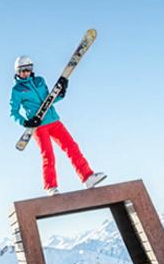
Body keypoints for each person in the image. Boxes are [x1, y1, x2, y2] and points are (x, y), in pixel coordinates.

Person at [10, 55, 106, 195]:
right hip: (38, 126)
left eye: (28, 69)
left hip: (54, 120)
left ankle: (87, 177)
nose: (25, 73)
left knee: (72, 148)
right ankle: (50, 186)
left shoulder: (40, 81)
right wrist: (25, 122)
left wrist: (62, 92)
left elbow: (50, 99)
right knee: (48, 156)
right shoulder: (17, 90)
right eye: (22, 70)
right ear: (17, 71)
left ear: (32, 69)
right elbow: (13, 112)